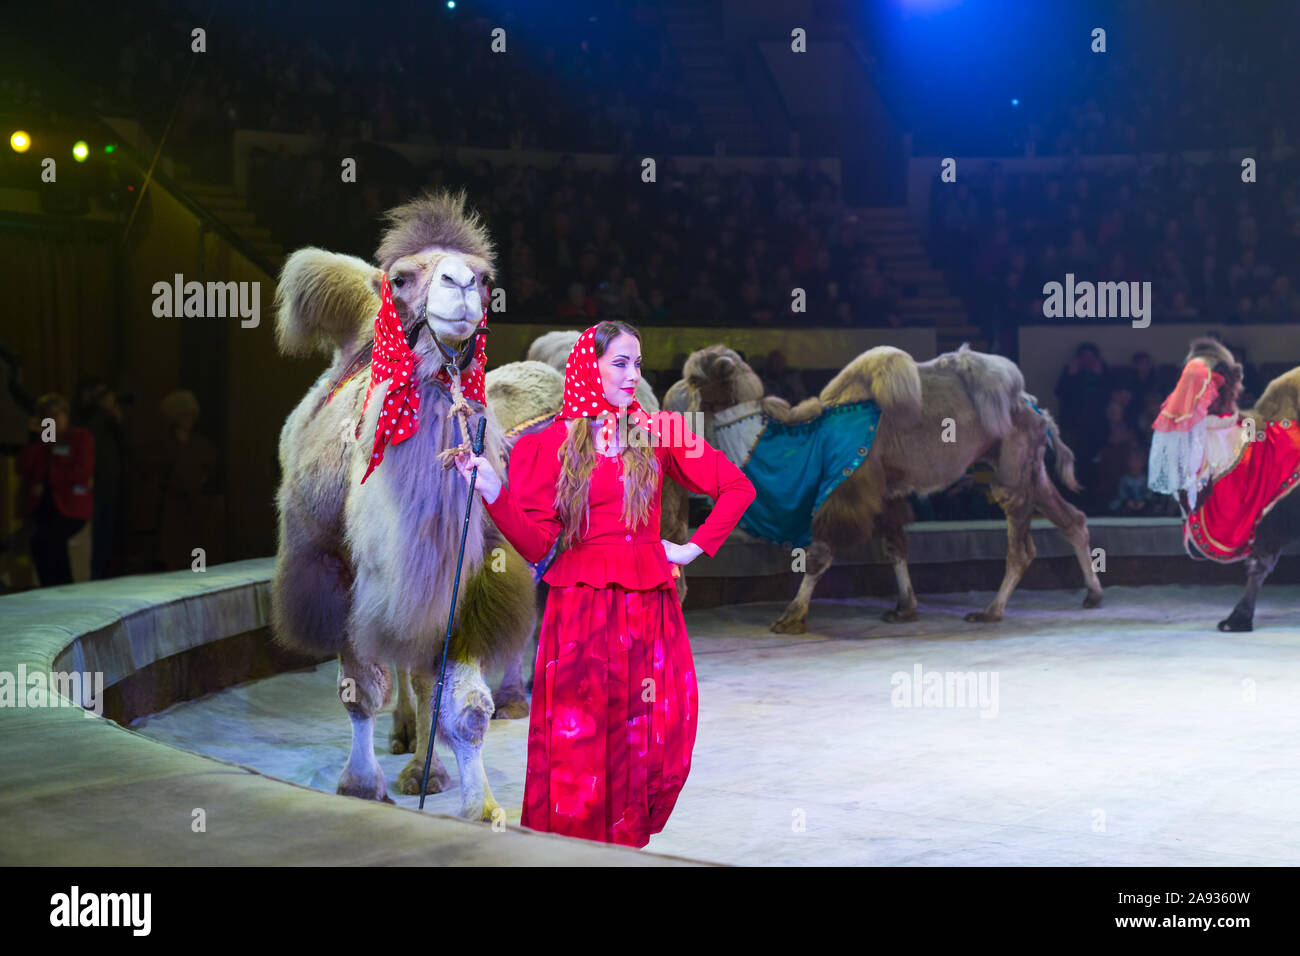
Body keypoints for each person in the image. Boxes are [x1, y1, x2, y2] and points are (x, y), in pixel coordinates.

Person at [452, 321, 756, 847]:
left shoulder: (661, 430)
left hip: (649, 612)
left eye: (637, 364)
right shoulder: (547, 444)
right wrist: (493, 491)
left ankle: (624, 840)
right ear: (587, 368)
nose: (631, 375)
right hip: (581, 615)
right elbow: (533, 542)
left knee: (658, 732)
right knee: (582, 746)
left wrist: (690, 547)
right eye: (620, 363)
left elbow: (736, 486)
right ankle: (579, 849)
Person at [16, 393, 95, 586]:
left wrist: (49, 482)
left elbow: (82, 470)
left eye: (58, 414)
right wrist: (35, 438)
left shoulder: (79, 437)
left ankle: (62, 588)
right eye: (48, 416)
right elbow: (25, 468)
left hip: (71, 506)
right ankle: (51, 589)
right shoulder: (45, 440)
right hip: (44, 506)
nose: (55, 419)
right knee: (41, 543)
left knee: (49, 540)